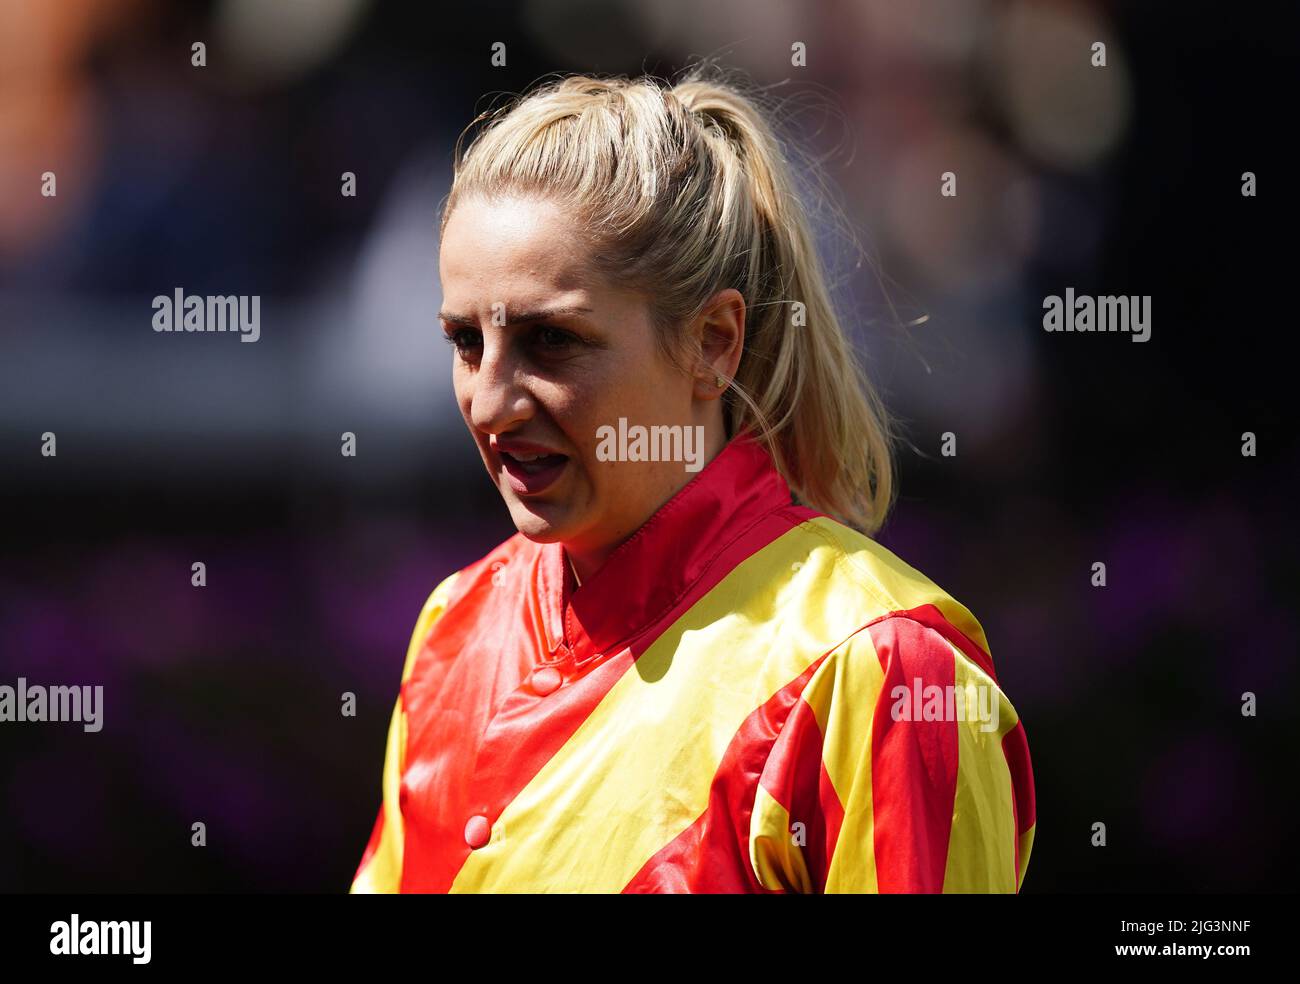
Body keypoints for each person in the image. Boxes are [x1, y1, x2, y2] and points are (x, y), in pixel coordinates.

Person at [350, 69, 1035, 893]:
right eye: (466, 341)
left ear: (713, 341)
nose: (490, 402)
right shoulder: (455, 624)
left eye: (553, 340)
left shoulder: (881, 670)